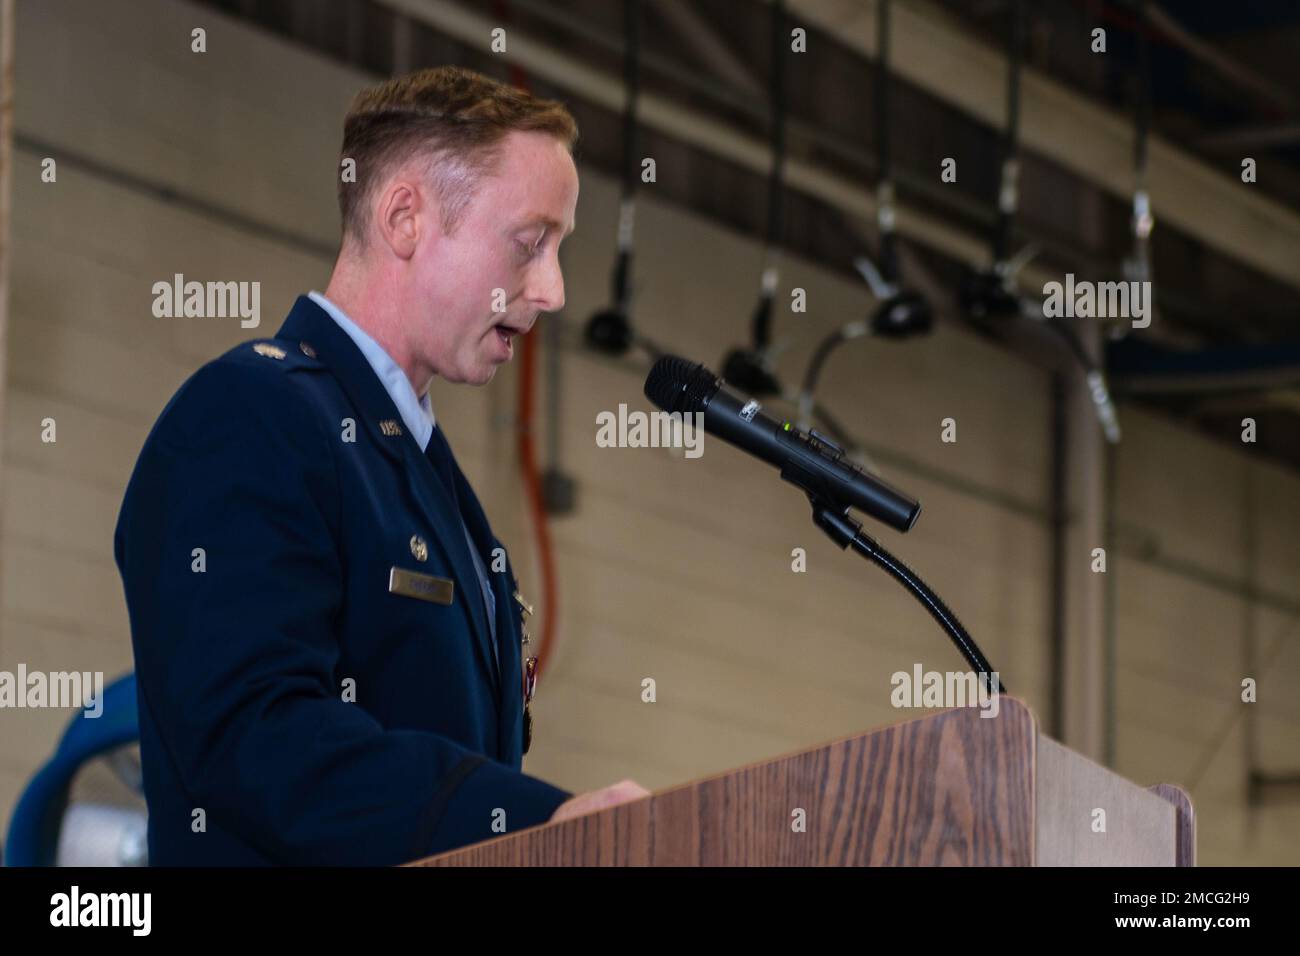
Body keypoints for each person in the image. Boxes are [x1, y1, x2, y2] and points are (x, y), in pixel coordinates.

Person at [114, 65, 649, 866]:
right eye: (530, 243)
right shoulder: (249, 416)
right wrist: (540, 823)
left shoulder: (420, 472)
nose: (554, 290)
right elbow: (257, 736)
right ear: (405, 217)